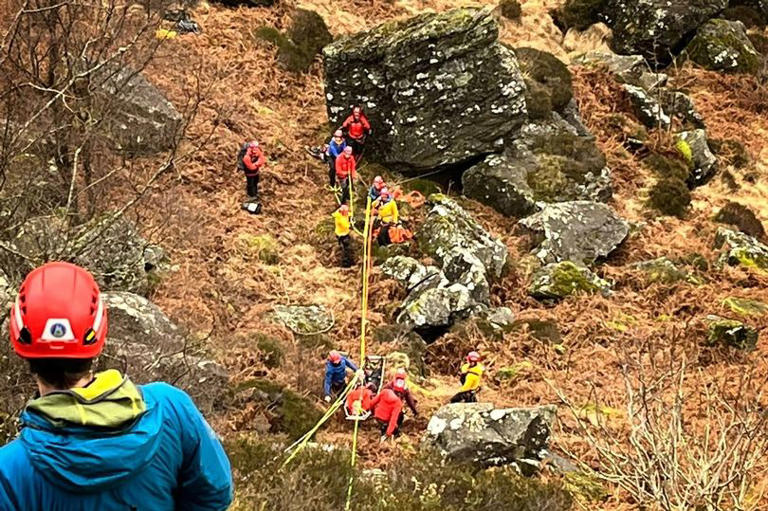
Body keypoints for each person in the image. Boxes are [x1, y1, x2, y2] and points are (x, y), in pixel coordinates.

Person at [0, 262, 233, 510]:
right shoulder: (171, 410)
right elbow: (215, 492)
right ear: (99, 334)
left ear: (19, 341)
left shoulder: (9, 472)